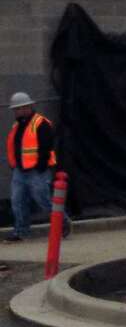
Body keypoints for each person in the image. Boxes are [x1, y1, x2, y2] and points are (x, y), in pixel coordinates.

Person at [5, 92, 65, 243]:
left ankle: (62, 223)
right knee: (17, 201)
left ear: (30, 107)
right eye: (16, 109)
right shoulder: (17, 126)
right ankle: (21, 232)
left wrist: (40, 166)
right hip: (20, 170)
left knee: (43, 200)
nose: (18, 111)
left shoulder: (41, 123)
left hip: (37, 171)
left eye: (21, 108)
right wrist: (15, 166)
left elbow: (47, 147)